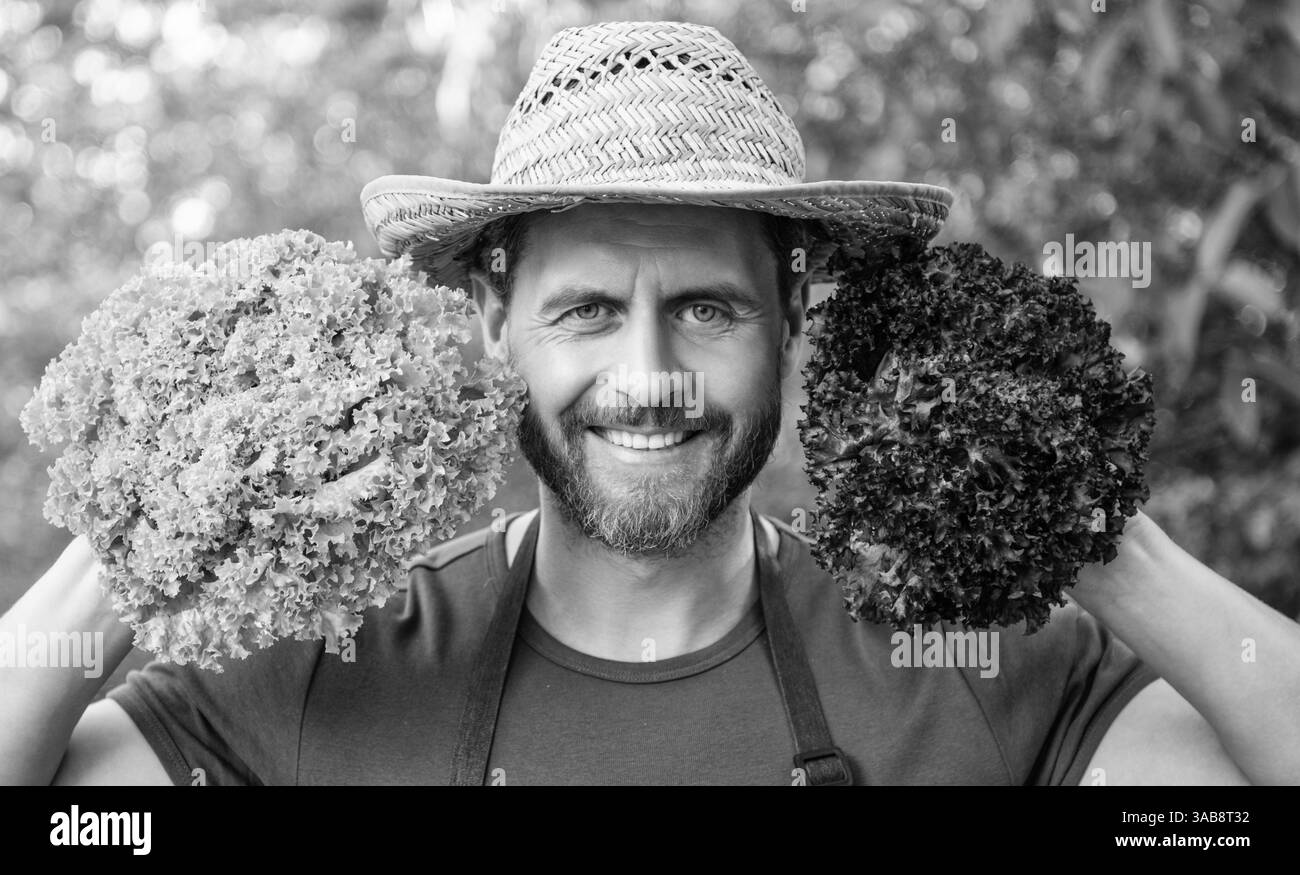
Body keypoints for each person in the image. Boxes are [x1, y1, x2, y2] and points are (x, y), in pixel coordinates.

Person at [3, 20, 1297, 786]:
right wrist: (152, 525)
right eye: (583, 311)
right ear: (495, 327)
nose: (649, 376)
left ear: (794, 319)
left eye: (707, 307)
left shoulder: (979, 675)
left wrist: (1090, 531)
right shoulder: (318, 677)